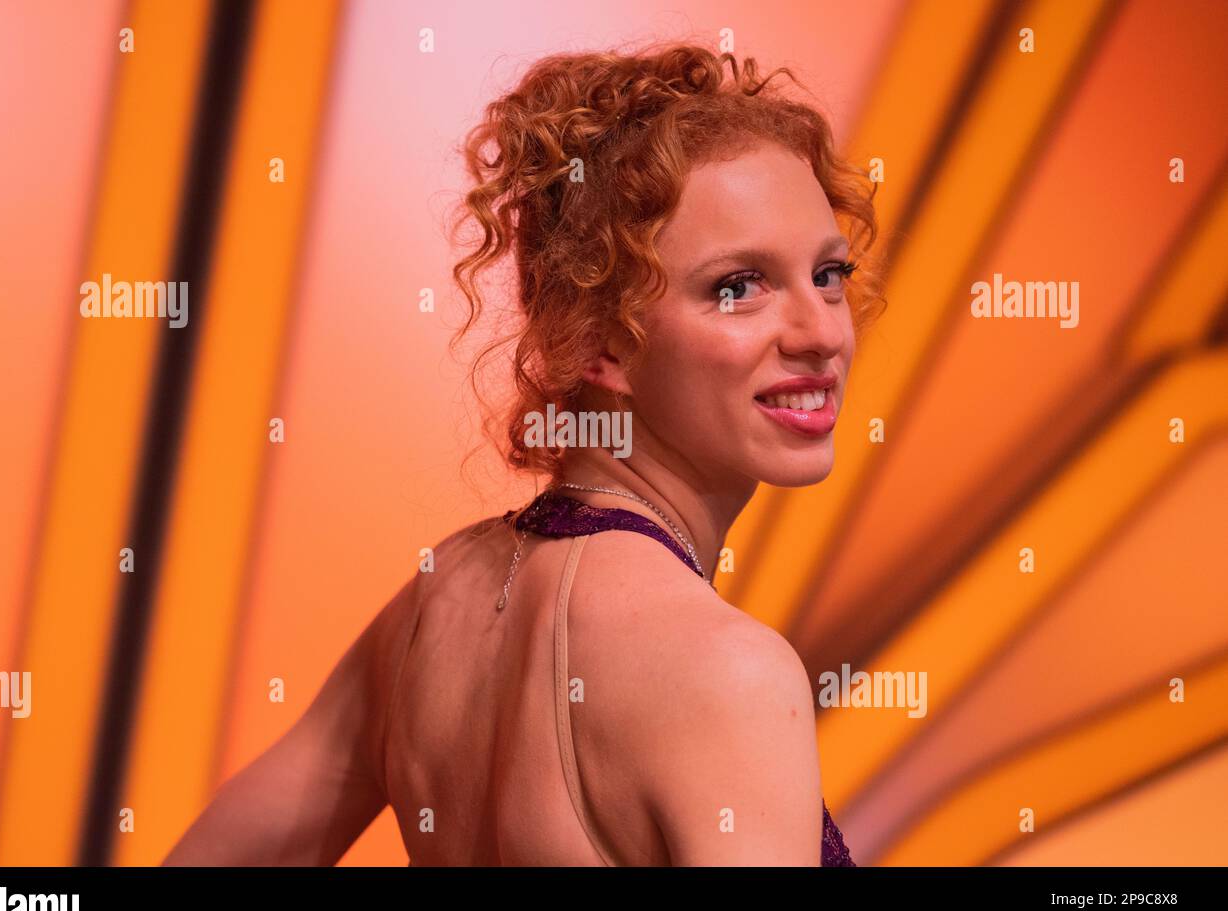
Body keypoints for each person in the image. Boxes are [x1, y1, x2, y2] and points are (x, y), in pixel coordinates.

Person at [164, 42, 883, 867]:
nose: (823, 331)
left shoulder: (433, 603)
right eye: (738, 287)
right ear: (601, 342)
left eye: (829, 273)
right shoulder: (728, 676)